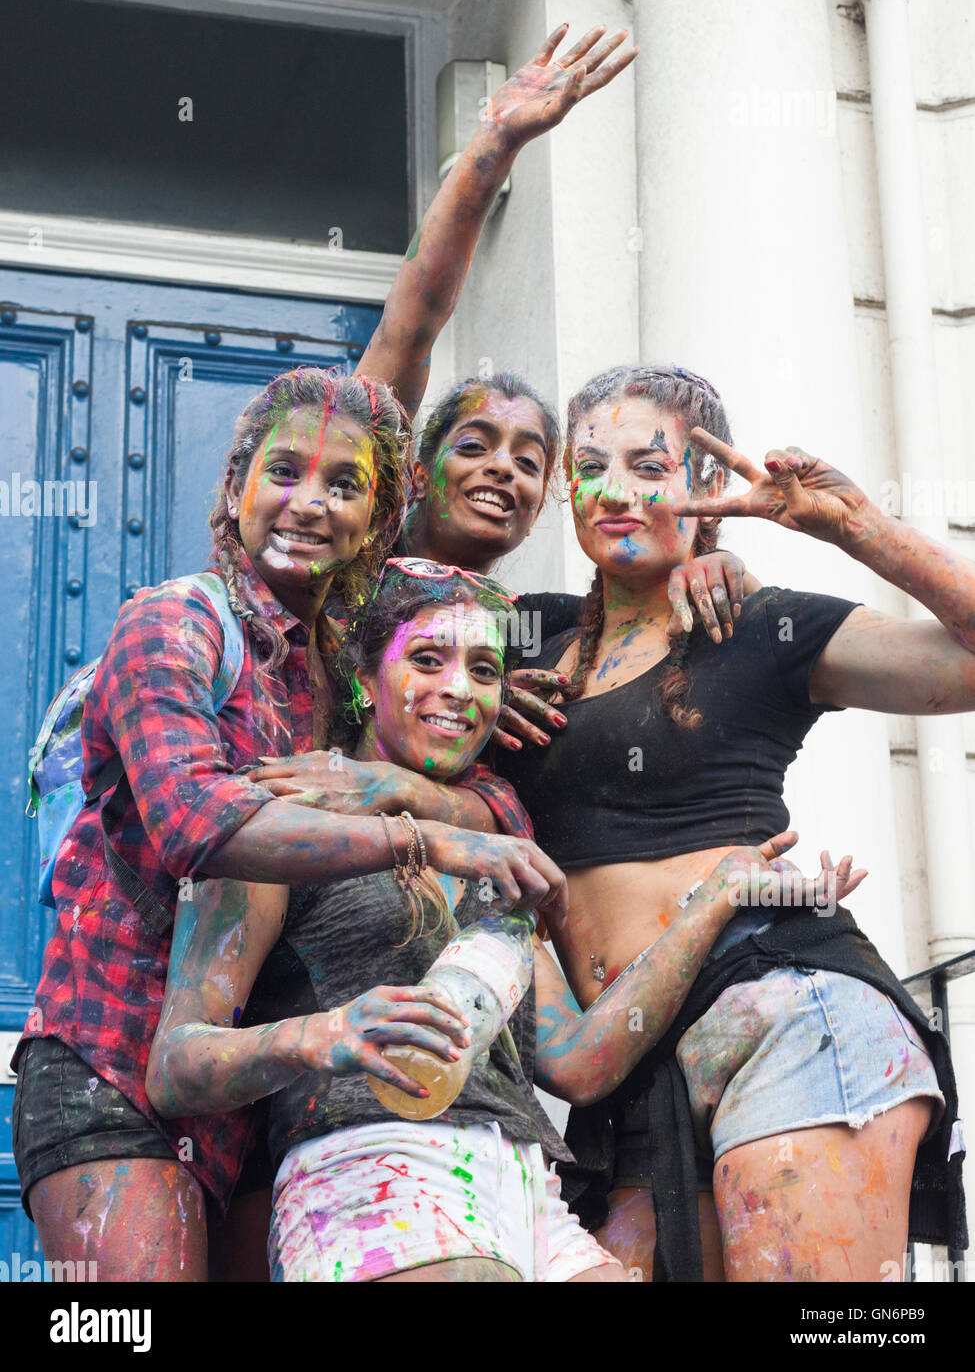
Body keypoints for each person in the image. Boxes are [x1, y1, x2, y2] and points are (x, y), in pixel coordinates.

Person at [146, 560, 859, 1282]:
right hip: (369, 1167)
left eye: (484, 669)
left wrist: (714, 899)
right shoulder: (283, 823)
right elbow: (175, 1067)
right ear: (363, 679)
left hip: (525, 1184)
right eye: (427, 660)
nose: (458, 689)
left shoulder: (494, 861)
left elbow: (578, 1064)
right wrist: (325, 1035)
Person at [12, 369, 563, 1282]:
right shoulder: (174, 622)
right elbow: (194, 819)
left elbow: (493, 806)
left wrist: (406, 784)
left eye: (344, 485)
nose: (309, 504)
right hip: (111, 1066)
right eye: (283, 475)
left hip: (255, 1096)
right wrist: (423, 836)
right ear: (236, 488)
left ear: (379, 518)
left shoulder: (345, 671)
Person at [493, 364, 968, 1282]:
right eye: (589, 466)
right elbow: (378, 627)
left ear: (707, 488)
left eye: (649, 465)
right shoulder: (521, 637)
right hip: (628, 1071)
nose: (616, 490)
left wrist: (853, 528)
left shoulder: (758, 626)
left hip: (786, 1013)